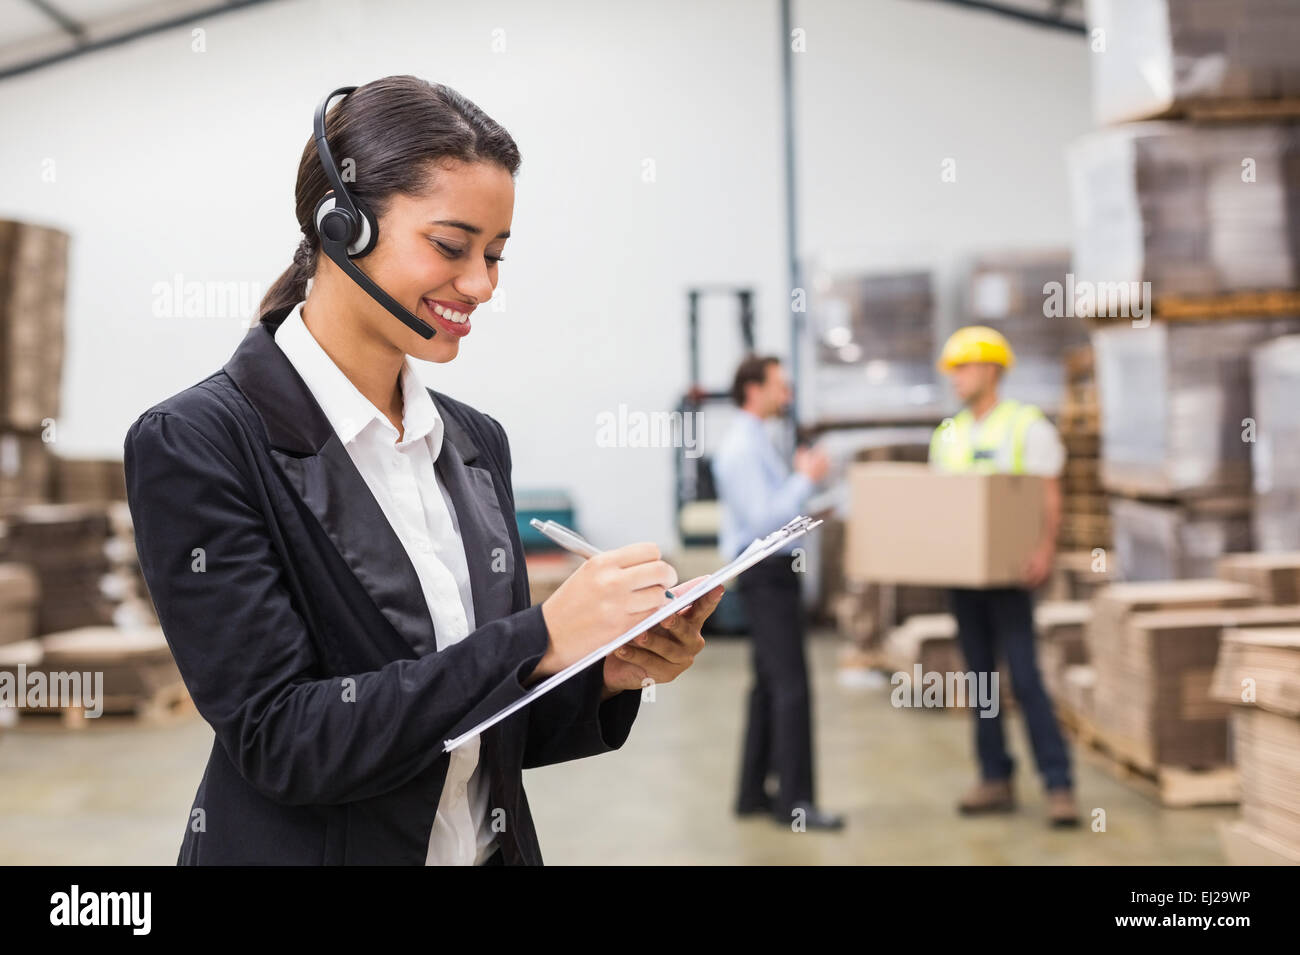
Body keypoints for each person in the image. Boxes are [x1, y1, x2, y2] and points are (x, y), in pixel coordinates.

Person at [123, 76, 722, 866]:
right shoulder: (198, 442)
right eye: (451, 245)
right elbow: (285, 739)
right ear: (340, 224)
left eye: (495, 254)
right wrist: (540, 634)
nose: (480, 285)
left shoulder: (474, 442)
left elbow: (478, 728)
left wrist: (600, 671)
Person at [928, 325, 1079, 827]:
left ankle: (1058, 784)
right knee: (981, 679)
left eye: (963, 367)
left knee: (1026, 675)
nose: (955, 378)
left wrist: (1044, 549)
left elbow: (1047, 494)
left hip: (1012, 575)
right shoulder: (948, 434)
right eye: (951, 369)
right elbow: (938, 505)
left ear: (992, 369)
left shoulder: (1026, 425)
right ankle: (995, 778)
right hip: (964, 579)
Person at [711, 355, 843, 831]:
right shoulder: (742, 449)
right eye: (779, 387)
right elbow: (768, 521)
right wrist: (806, 478)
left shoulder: (757, 442)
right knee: (791, 687)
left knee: (769, 683)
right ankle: (796, 802)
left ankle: (751, 794)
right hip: (767, 573)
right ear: (753, 389)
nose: (786, 396)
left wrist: (813, 496)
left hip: (769, 571)